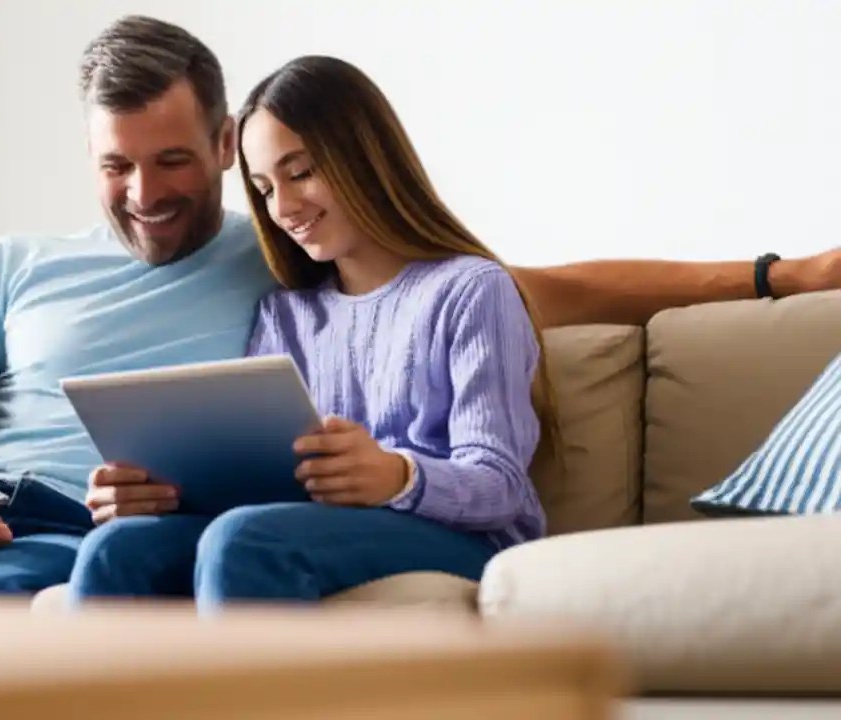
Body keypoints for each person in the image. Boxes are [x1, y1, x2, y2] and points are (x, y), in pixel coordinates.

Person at [0, 15, 840, 595]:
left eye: (172, 164)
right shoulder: (40, 267)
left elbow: (531, 289)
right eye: (114, 166)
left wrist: (771, 276)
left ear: (213, 145)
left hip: (113, 529)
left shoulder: (289, 262)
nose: (144, 194)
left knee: (155, 556)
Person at [68, 54, 559, 610]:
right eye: (264, 187)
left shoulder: (470, 290)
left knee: (247, 541)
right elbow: (258, 480)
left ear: (365, 158)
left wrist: (398, 475)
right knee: (117, 548)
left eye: (300, 173)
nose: (285, 207)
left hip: (464, 538)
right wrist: (155, 494)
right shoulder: (286, 316)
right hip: (313, 527)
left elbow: (501, 485)